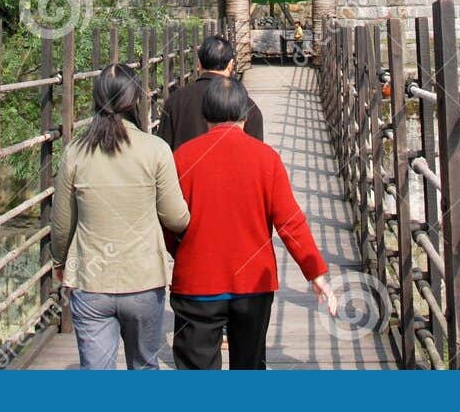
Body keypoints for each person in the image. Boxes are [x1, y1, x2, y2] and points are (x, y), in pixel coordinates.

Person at [168, 76, 338, 369]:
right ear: (245, 115)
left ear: (205, 113)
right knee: (249, 365)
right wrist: (315, 273)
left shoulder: (182, 157)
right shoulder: (266, 159)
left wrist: (181, 253)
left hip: (196, 282)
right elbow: (290, 222)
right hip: (252, 285)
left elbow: (168, 219)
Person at [50, 65, 189, 370]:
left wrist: (60, 262)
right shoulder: (156, 150)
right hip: (143, 279)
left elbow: (61, 223)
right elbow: (177, 218)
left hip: (90, 280)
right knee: (144, 366)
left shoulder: (75, 151)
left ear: (96, 100)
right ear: (137, 100)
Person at [158, 34, 263, 149]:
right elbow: (256, 153)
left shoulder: (175, 100)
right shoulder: (248, 105)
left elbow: (164, 150)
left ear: (199, 64)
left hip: (184, 165)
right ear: (230, 65)